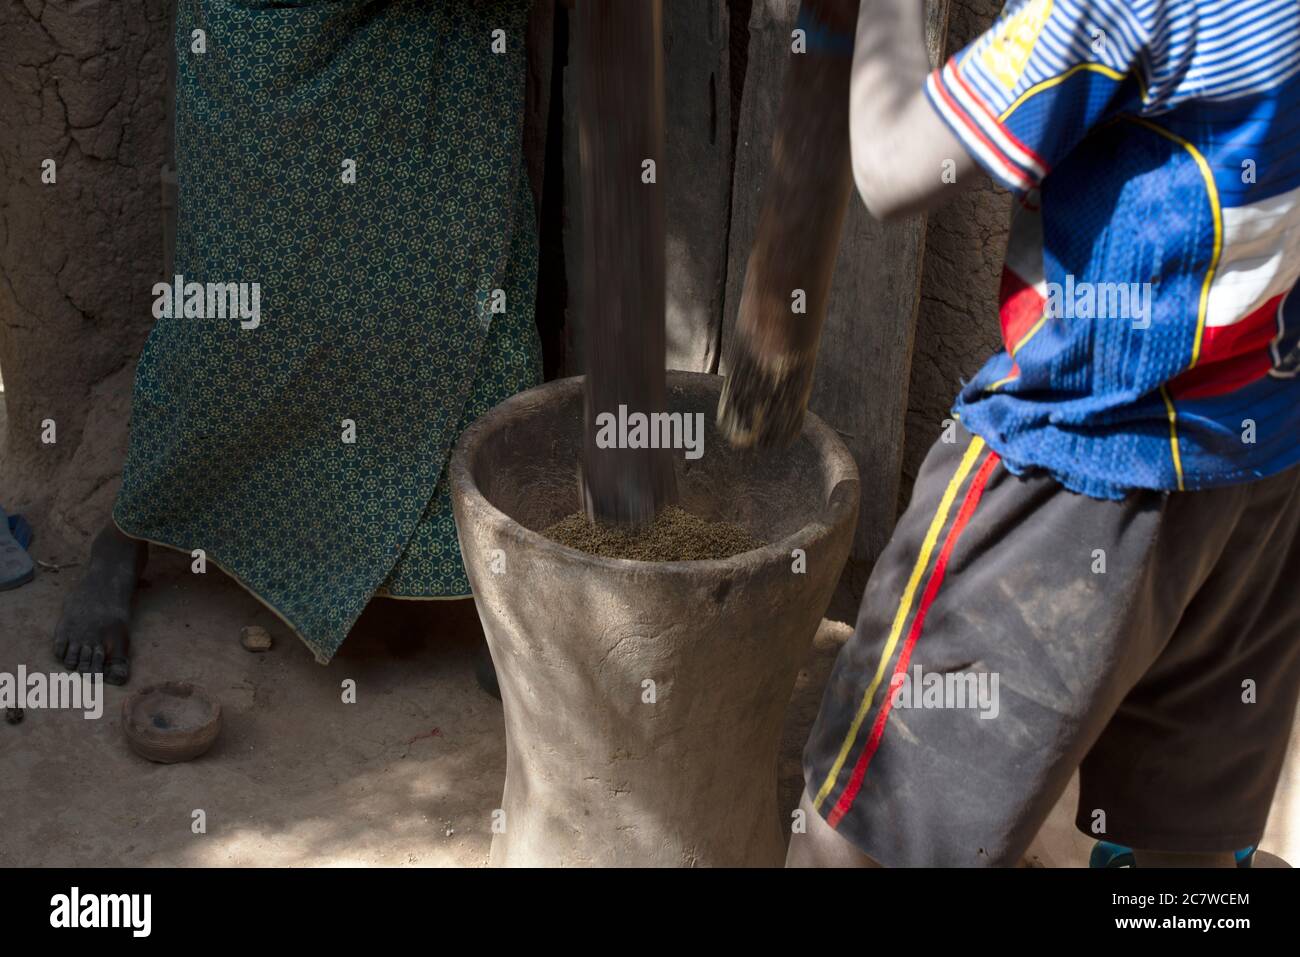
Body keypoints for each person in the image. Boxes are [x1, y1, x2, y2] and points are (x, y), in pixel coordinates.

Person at [785, 0, 1300, 866]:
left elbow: (889, 165)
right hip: (1263, 465)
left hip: (1073, 473)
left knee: (866, 832)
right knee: (1185, 842)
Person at [53, 0, 541, 686]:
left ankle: (482, 583)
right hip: (266, 26)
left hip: (431, 36)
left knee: (463, 283)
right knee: (235, 303)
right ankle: (133, 528)